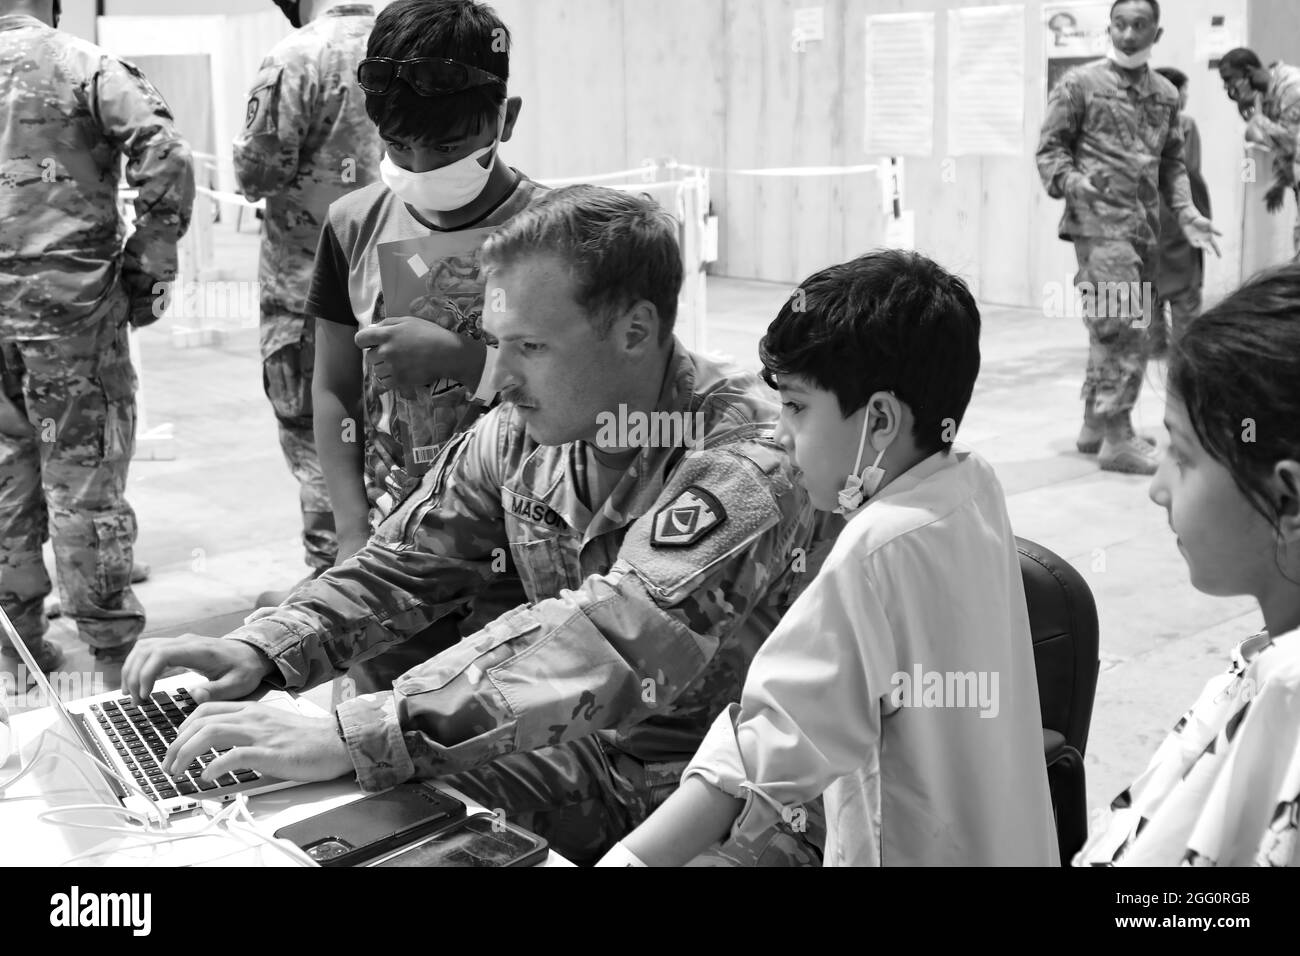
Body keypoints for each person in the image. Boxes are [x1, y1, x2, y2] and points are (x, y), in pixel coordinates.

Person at [121, 186, 826, 867]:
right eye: (496, 343)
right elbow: (402, 562)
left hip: (736, 796)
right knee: (338, 820)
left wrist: (357, 728)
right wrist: (265, 649)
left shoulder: (750, 452)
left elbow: (612, 634)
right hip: (588, 755)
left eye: (530, 348)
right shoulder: (523, 430)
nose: (500, 376)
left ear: (635, 331)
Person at [597, 252, 1059, 867]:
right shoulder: (971, 483)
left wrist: (628, 861)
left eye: (796, 407)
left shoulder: (876, 550)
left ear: (882, 419)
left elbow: (760, 754)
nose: (781, 435)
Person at [306, 0, 546, 691]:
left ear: (507, 118)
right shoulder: (354, 224)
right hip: (395, 554)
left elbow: (602, 396)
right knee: (385, 739)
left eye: (444, 149)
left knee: (512, 747)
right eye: (396, 144)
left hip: (527, 561)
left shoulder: (560, 231)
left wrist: (465, 362)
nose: (417, 164)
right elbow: (334, 388)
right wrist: (353, 534)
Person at [1076, 262, 1300, 866]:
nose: (1158, 487)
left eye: (1184, 453)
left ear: (1289, 500)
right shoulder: (1265, 663)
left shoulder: (1289, 699)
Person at [0, 0, 194, 673]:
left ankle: (15, 649)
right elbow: (163, 150)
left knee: (4, 475)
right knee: (85, 484)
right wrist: (149, 262)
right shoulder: (83, 66)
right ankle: (113, 651)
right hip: (71, 313)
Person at [235, 1, 384, 607]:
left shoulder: (297, 55)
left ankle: (332, 591)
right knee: (384, 434)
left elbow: (256, 173)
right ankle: (388, 574)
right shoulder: (398, 40)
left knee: (317, 433)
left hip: (306, 283)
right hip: (389, 277)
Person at [1037, 0, 1220, 476]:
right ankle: (1118, 437)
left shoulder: (1164, 93)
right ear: (1109, 29)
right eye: (1120, 24)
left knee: (1108, 324)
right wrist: (1075, 183)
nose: (1128, 34)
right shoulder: (1080, 85)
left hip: (1145, 231)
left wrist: (1188, 212)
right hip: (1099, 228)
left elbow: (1173, 163)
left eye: (1140, 25)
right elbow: (1050, 151)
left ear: (1156, 34)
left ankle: (1093, 424)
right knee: (1127, 326)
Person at [1151, 66, 1212, 355]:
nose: (1187, 94)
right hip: (1176, 216)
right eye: (1185, 88)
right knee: (1185, 291)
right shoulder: (1184, 125)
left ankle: (1149, 346)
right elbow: (1190, 171)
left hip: (1142, 217)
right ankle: (1185, 350)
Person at [1219, 48, 1300, 260]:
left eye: (1229, 79)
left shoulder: (1292, 86)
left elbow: (1290, 142)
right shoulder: (1265, 94)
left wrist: (1255, 120)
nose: (1228, 87)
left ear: (1248, 71)